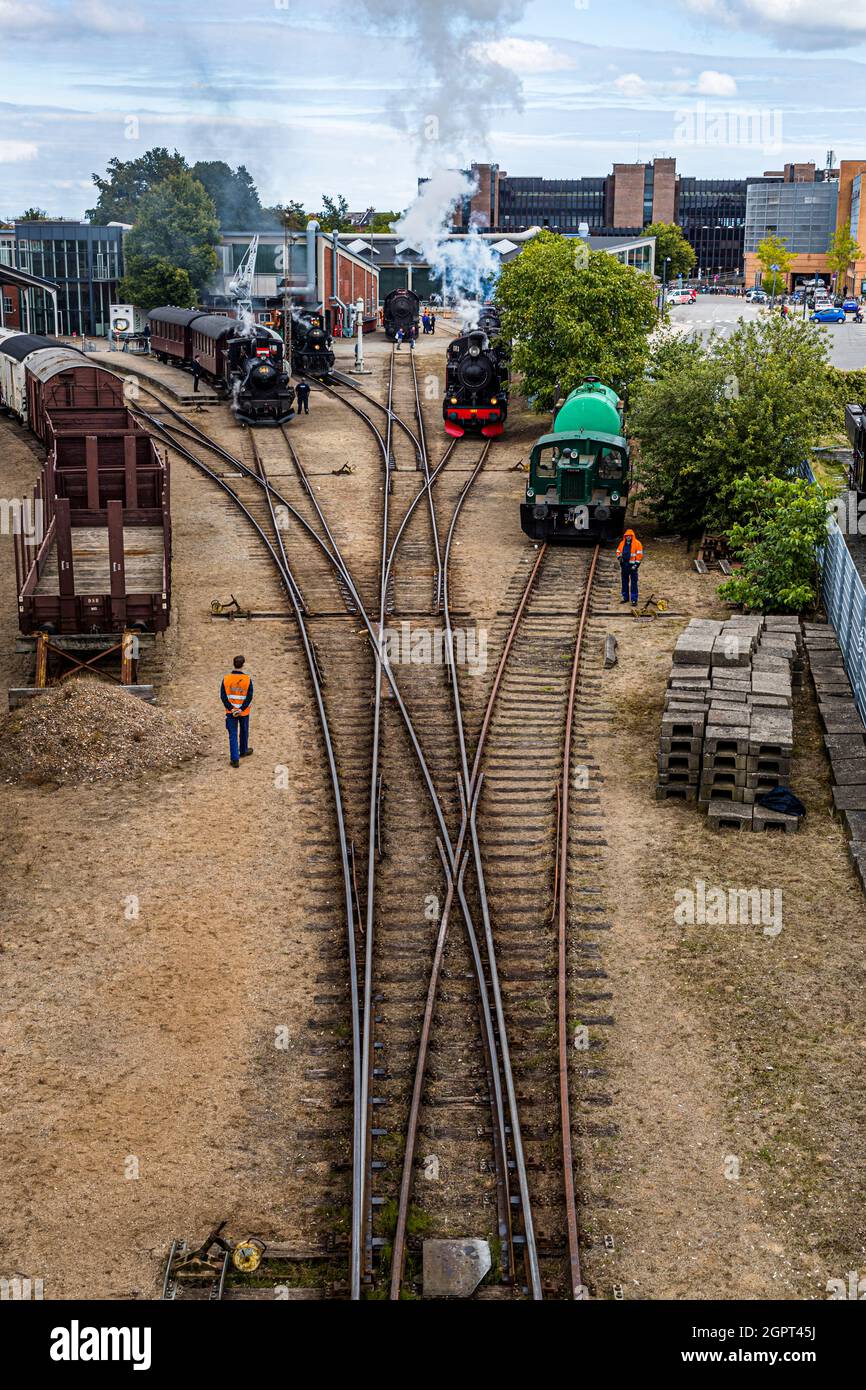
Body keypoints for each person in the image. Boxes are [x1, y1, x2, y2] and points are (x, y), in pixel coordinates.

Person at [221, 655, 253, 768]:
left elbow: (223, 696)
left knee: (233, 734)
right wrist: (241, 709)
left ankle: (235, 760)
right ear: (243, 665)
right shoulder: (247, 679)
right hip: (244, 713)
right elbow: (249, 696)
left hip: (231, 713)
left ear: (233, 664)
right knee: (244, 731)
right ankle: (243, 750)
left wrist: (231, 708)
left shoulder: (226, 679)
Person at [616, 528, 643, 605]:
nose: (628, 537)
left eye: (629, 536)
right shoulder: (622, 543)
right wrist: (619, 557)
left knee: (634, 583)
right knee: (624, 582)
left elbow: (639, 555)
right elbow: (618, 551)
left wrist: (636, 565)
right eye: (627, 536)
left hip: (632, 566)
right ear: (625, 536)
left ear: (632, 536)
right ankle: (625, 598)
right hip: (624, 565)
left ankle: (634, 599)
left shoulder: (637, 544)